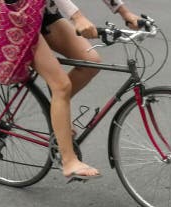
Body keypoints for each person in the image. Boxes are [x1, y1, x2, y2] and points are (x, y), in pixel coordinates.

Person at [27, 0, 140, 181]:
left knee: (90, 62)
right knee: (61, 86)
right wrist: (77, 17)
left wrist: (125, 13)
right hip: (18, 18)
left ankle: (58, 114)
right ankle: (69, 161)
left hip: (44, 13)